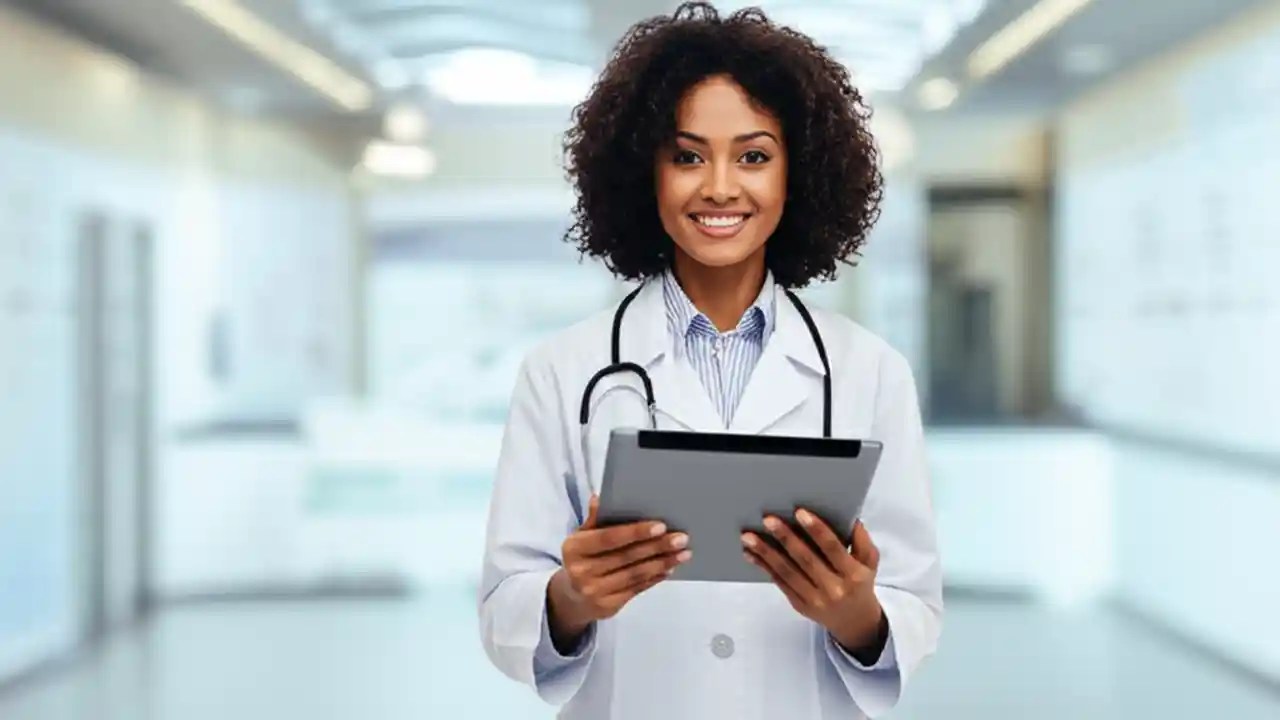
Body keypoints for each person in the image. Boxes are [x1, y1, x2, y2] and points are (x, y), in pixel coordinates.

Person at [477, 3, 941, 718]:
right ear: (644, 172)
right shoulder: (561, 371)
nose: (720, 186)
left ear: (799, 173)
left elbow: (911, 601)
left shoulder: (872, 371)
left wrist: (853, 613)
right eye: (687, 155)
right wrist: (572, 597)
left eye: (753, 156)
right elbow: (506, 606)